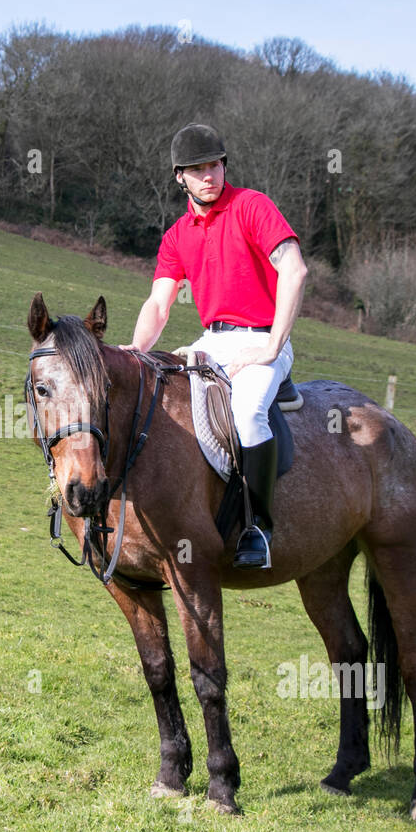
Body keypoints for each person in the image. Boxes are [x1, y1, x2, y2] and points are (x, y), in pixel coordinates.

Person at [125, 123, 308, 569]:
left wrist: (272, 348)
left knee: (246, 413)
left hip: (265, 338)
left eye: (214, 165)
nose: (209, 175)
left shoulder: (252, 206)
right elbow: (159, 303)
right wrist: (134, 350)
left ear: (224, 165)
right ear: (179, 177)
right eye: (197, 169)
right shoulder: (177, 235)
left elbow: (295, 271)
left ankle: (259, 527)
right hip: (212, 340)